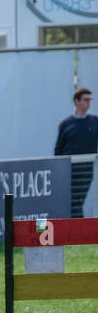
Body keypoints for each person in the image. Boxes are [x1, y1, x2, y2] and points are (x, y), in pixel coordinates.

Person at [54, 88, 98, 217]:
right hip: (68, 170)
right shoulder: (66, 124)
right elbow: (58, 149)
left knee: (75, 202)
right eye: (85, 100)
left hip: (86, 169)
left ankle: (79, 232)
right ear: (76, 101)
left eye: (90, 100)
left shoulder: (95, 122)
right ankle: (76, 232)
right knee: (69, 202)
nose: (88, 103)